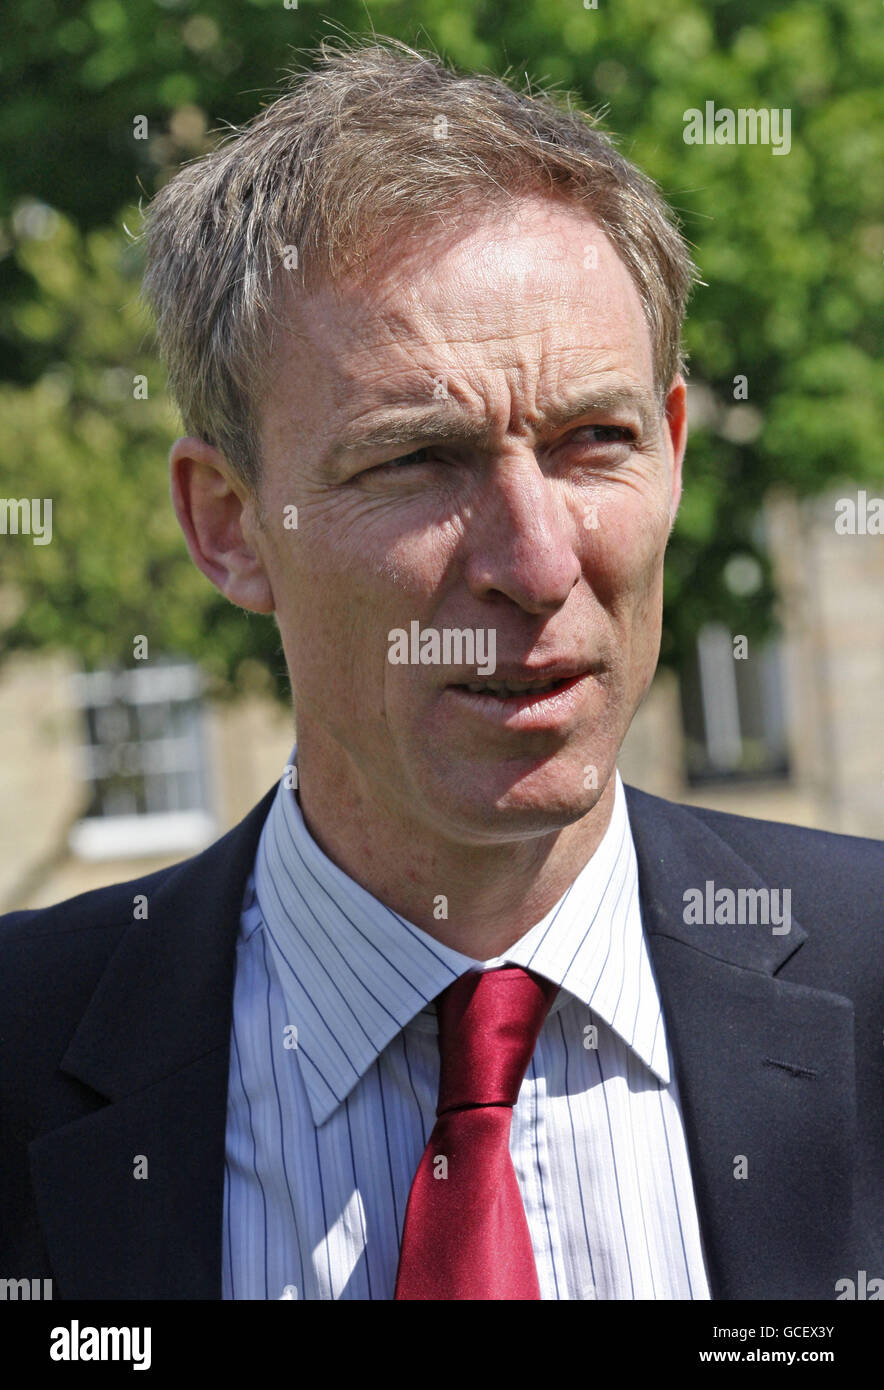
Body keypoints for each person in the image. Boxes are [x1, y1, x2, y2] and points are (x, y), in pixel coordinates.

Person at [1, 36, 881, 1302]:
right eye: (416, 461)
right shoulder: (24, 1059)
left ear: (674, 447)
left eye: (593, 440)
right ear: (229, 523)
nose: (533, 562)